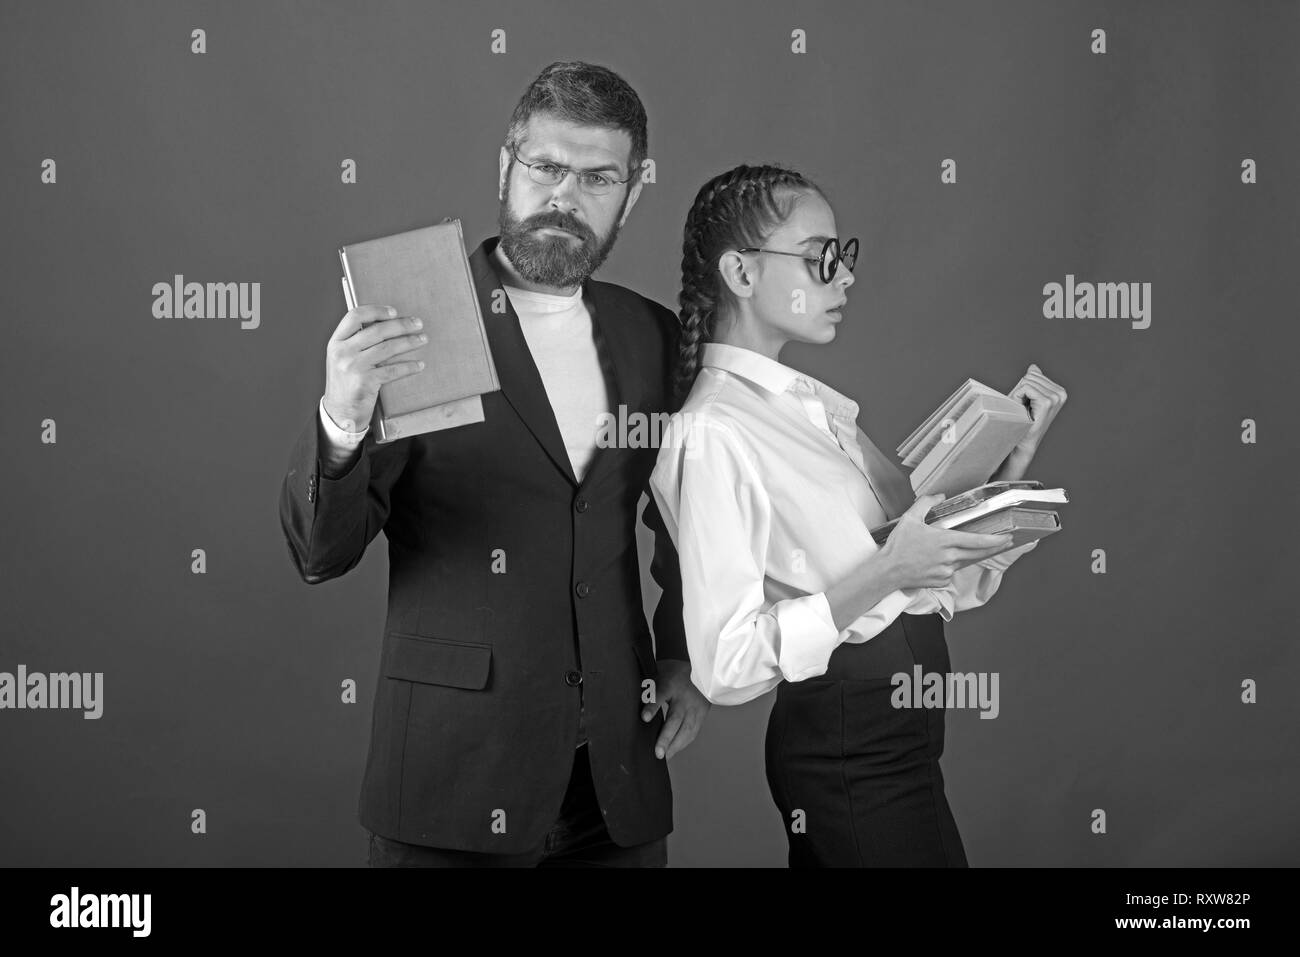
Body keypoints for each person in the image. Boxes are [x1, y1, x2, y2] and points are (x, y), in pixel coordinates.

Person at [279, 61, 710, 867]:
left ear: (632, 192)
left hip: (617, 787)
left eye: (597, 177)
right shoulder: (415, 320)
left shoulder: (651, 335)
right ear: (505, 168)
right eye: (546, 167)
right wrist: (342, 414)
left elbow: (689, 518)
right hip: (453, 779)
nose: (564, 197)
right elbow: (320, 552)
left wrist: (683, 653)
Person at [649, 163, 1067, 867]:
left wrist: (1009, 467)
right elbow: (726, 661)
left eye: (845, 256)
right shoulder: (714, 430)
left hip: (904, 738)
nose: (843, 277)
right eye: (821, 257)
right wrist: (888, 570)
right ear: (741, 274)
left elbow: (922, 576)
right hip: (849, 751)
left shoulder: (808, 408)